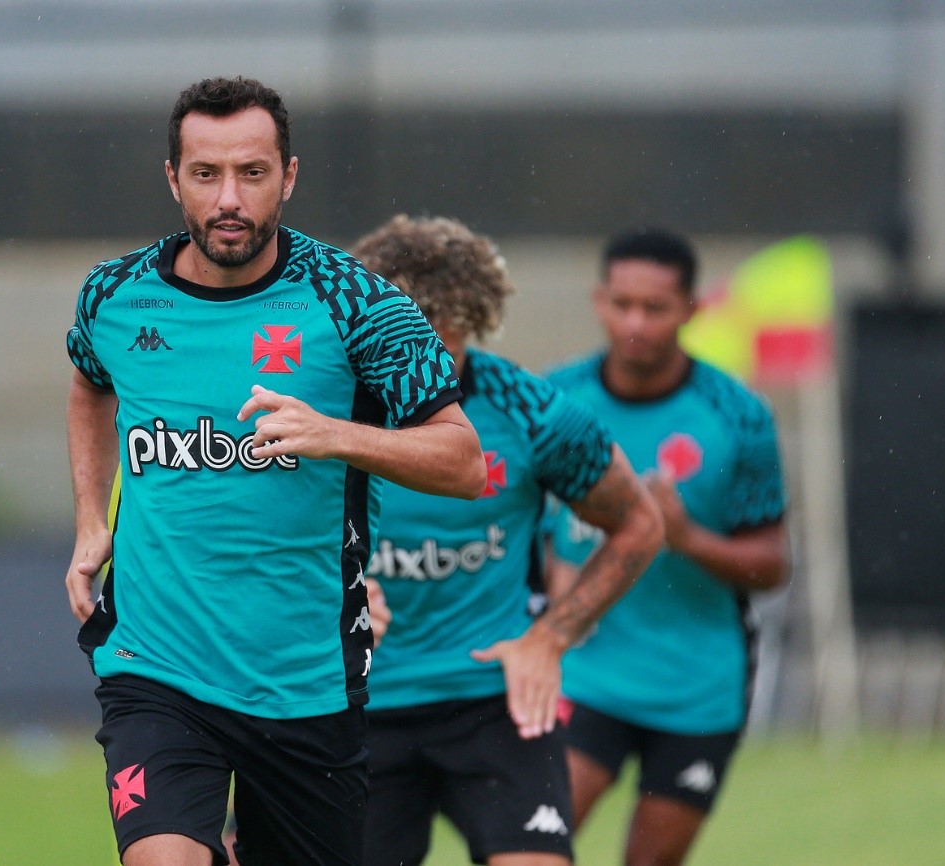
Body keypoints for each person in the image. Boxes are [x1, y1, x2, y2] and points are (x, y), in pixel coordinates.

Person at [64, 77, 486, 866]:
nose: (229, 198)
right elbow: (89, 382)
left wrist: (338, 434)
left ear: (288, 176)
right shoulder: (113, 297)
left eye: (252, 173)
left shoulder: (358, 306)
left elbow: (463, 462)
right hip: (157, 667)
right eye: (206, 173)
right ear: (172, 178)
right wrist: (92, 519)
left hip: (305, 681)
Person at [351, 215, 664, 866]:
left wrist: (550, 636)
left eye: (436, 343)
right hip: (349, 702)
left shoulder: (531, 414)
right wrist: (329, 587)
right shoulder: (320, 407)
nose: (417, 369)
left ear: (472, 325)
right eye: (396, 344)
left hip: (493, 701)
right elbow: (233, 539)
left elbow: (638, 524)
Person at [544, 227, 790, 866]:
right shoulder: (553, 402)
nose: (635, 322)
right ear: (599, 300)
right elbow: (518, 522)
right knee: (530, 849)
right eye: (621, 303)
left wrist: (686, 538)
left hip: (696, 684)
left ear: (691, 309)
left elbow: (771, 564)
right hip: (586, 675)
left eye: (654, 308)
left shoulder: (738, 417)